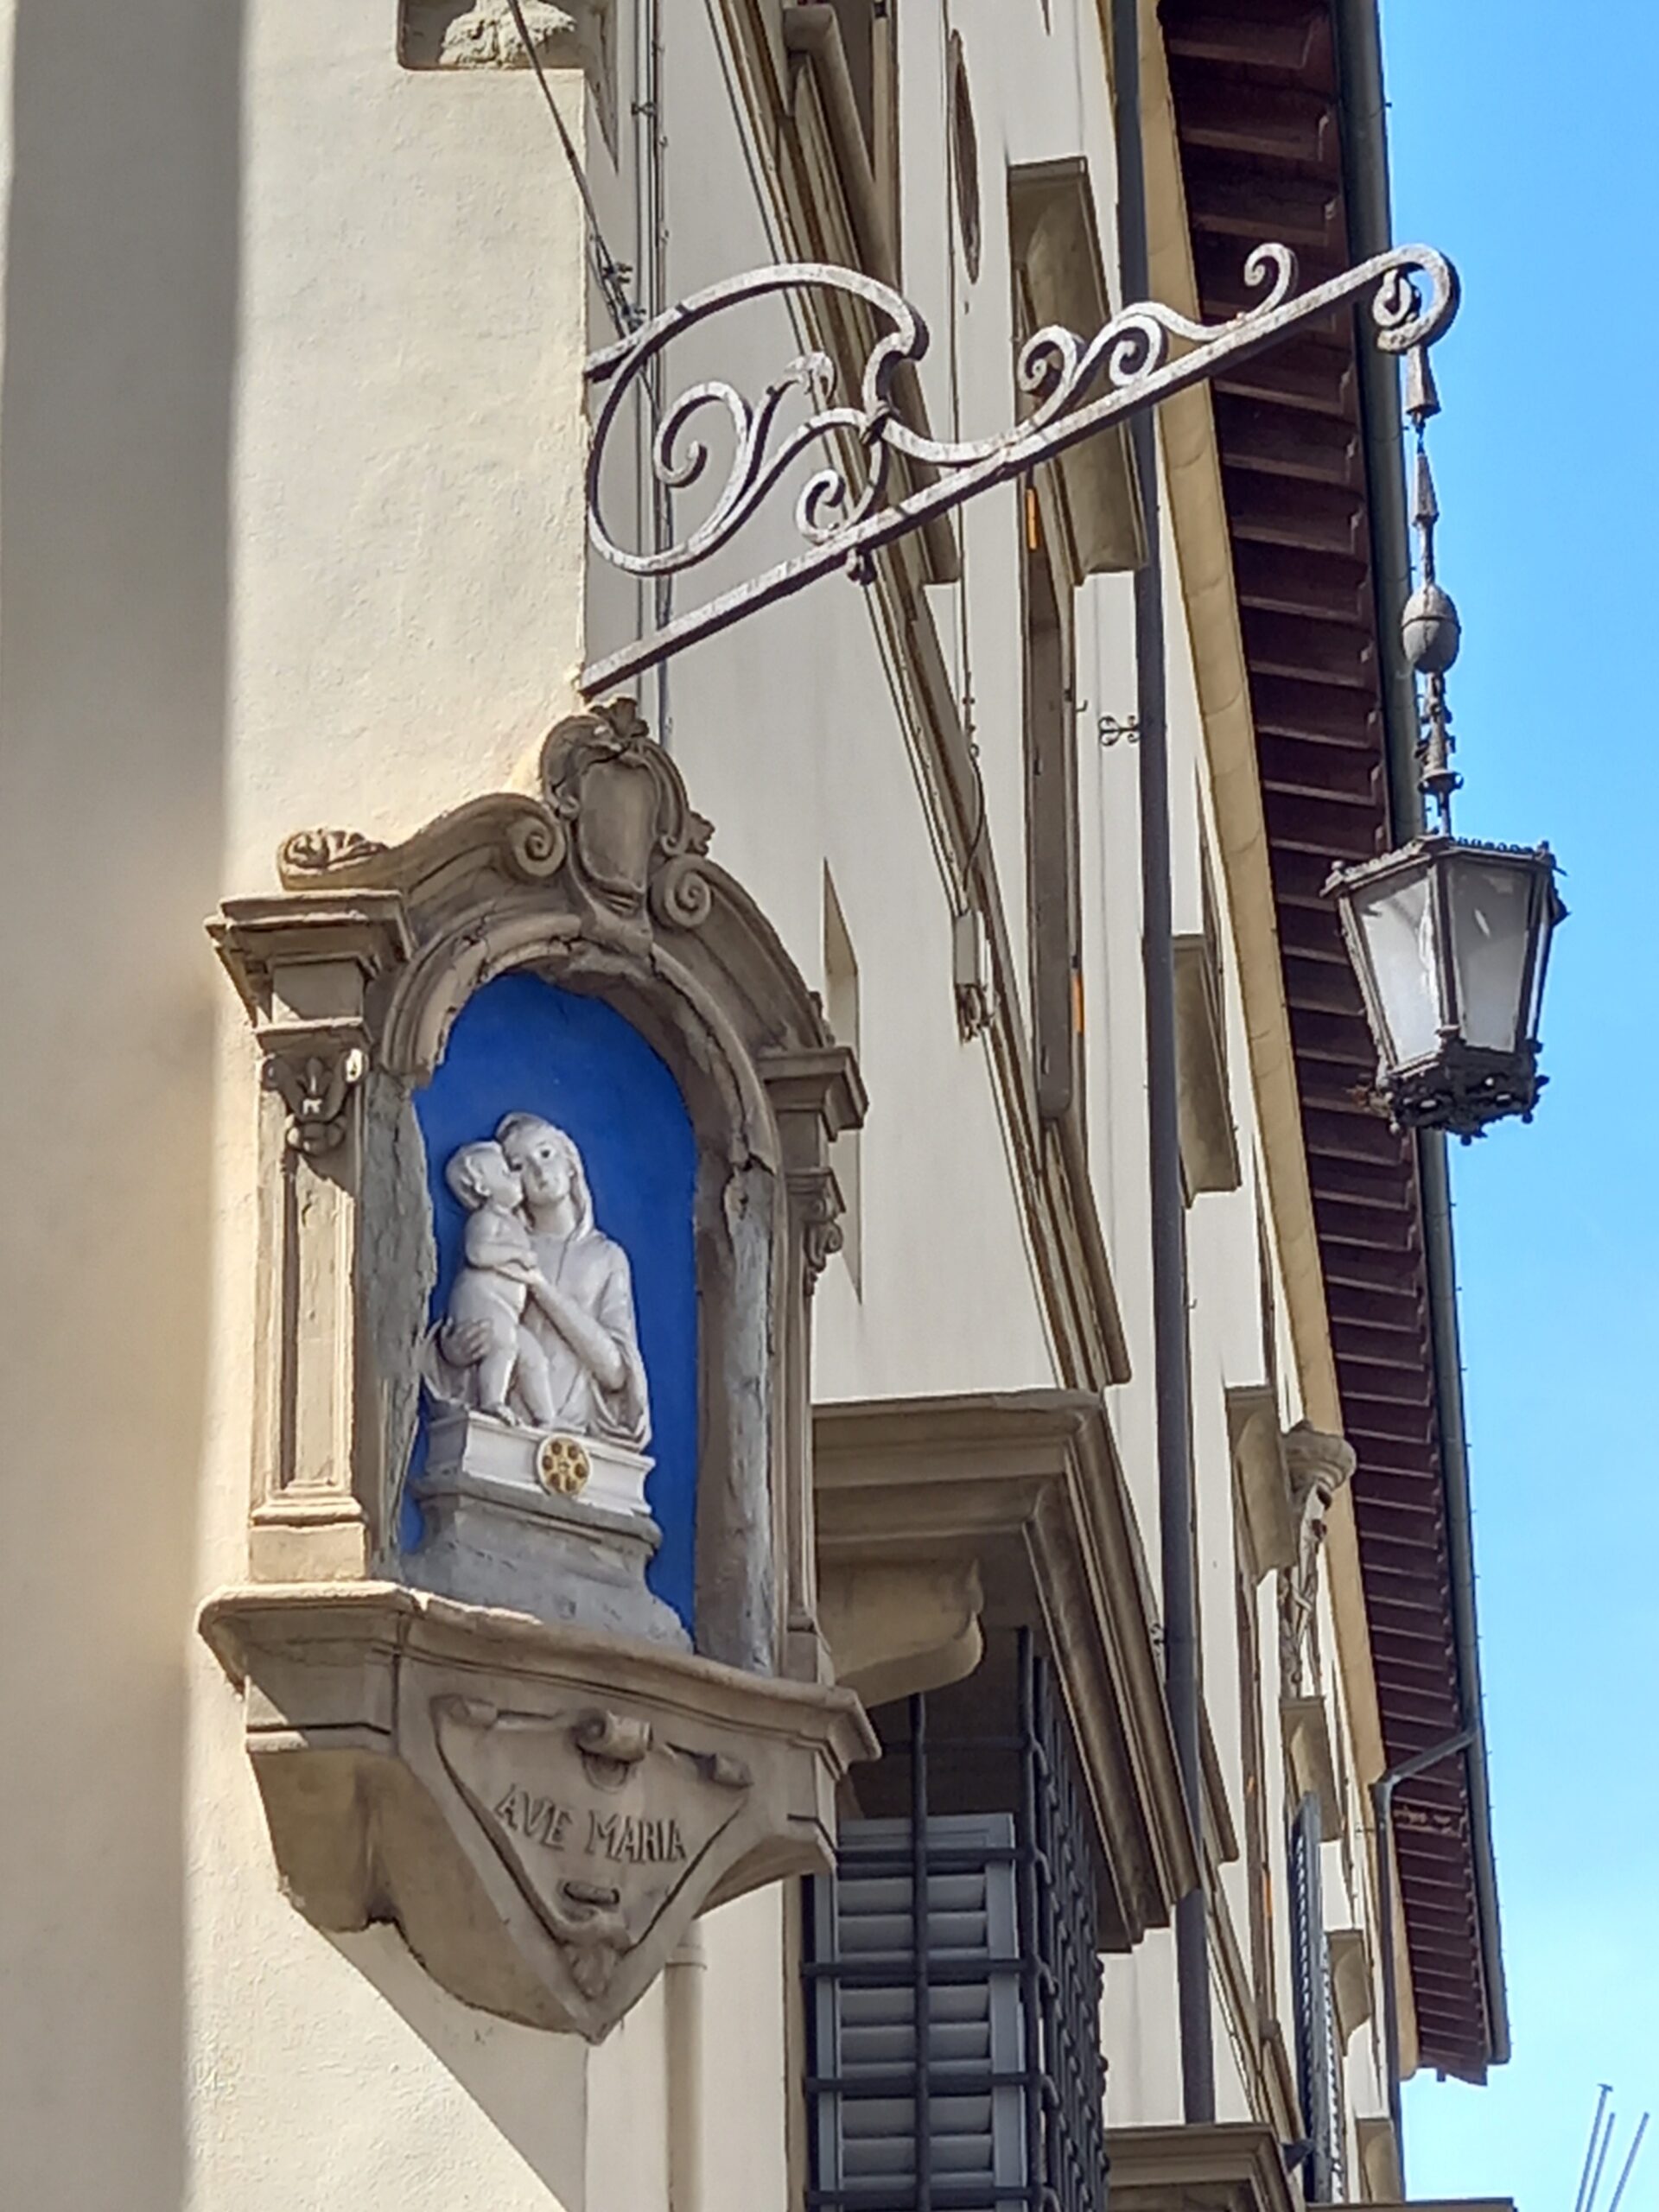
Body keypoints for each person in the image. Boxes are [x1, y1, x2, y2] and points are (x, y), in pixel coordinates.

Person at [439, 1141, 559, 1428]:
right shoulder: (485, 1219)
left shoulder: (513, 1222)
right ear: (483, 1188)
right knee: (503, 1343)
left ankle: (548, 1420)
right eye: (507, 1173)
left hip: (505, 1309)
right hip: (480, 1300)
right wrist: (519, 1255)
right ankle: (492, 1402)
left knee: (533, 1356)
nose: (518, 1177)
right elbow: (477, 1253)